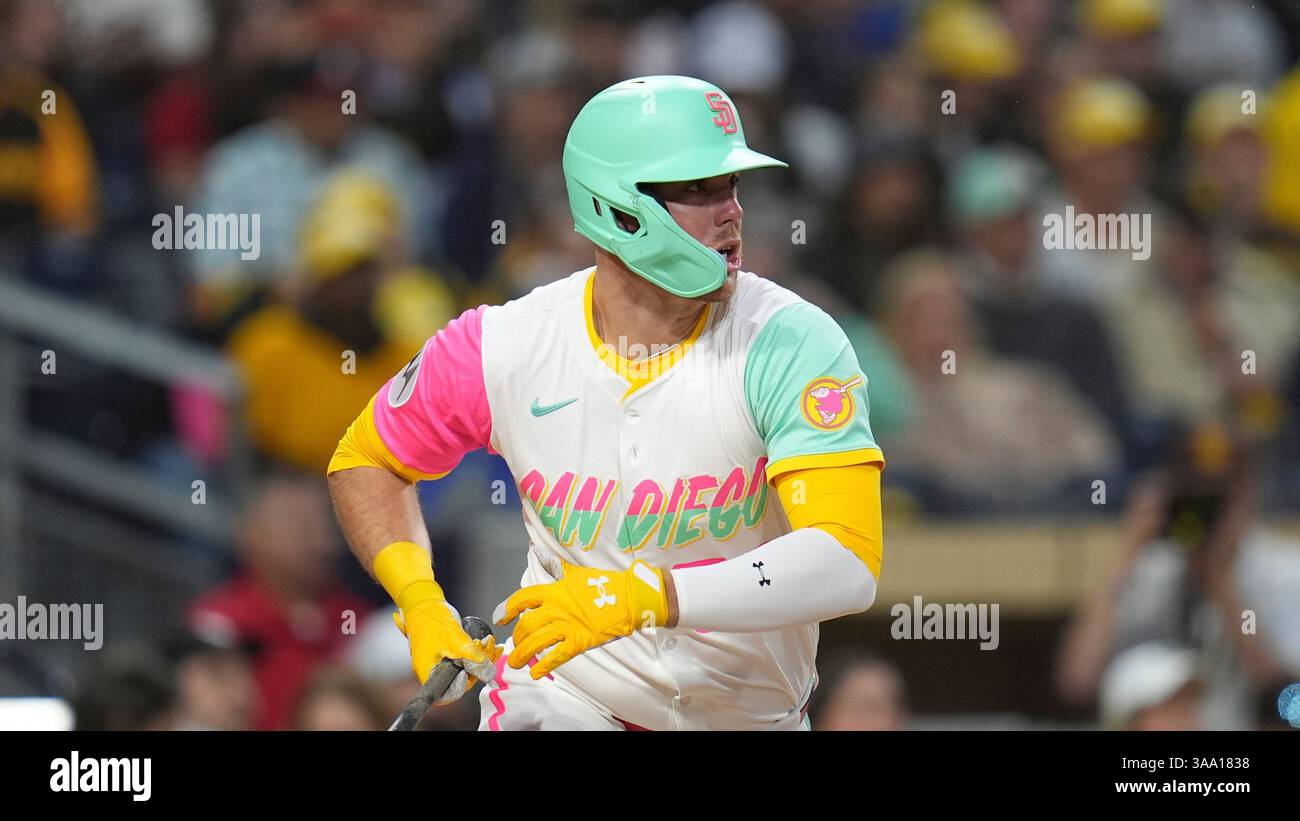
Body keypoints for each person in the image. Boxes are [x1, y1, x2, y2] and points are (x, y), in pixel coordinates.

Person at [328, 75, 886, 731]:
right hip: (566, 696)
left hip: (751, 716)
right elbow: (367, 457)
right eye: (698, 189)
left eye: (732, 186)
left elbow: (845, 561)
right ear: (617, 207)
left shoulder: (791, 340)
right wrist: (420, 599)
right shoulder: (504, 343)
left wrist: (652, 595)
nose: (732, 210)